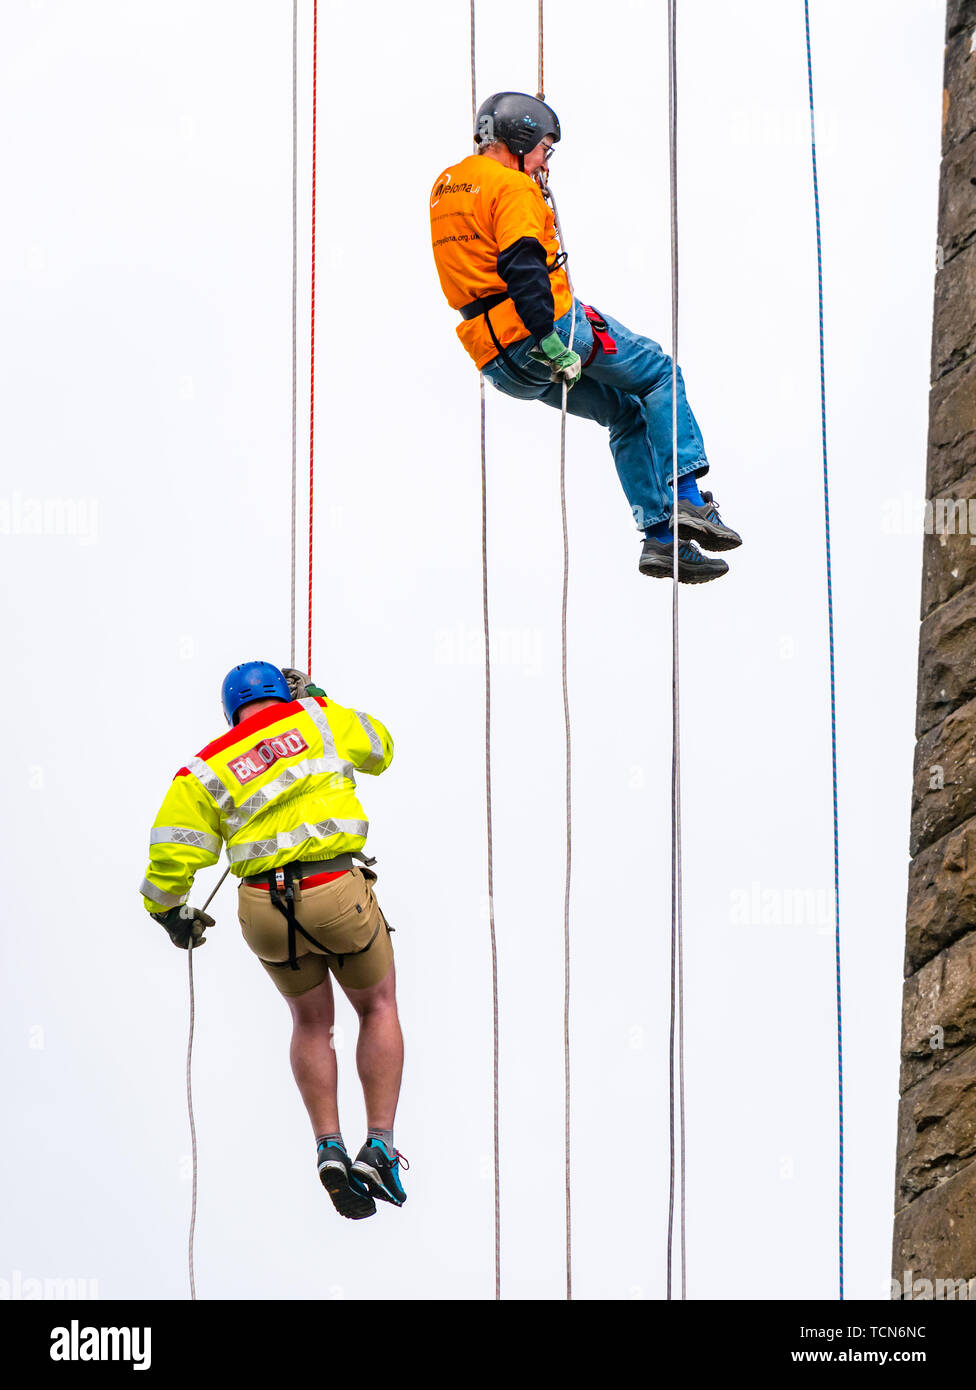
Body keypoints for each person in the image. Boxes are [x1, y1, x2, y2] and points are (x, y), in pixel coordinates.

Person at [429, 91, 743, 583]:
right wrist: (548, 337)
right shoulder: (512, 188)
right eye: (543, 148)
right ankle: (687, 501)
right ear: (519, 139)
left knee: (624, 412)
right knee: (660, 373)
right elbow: (522, 263)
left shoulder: (448, 186)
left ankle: (661, 540)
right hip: (546, 328)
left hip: (497, 359)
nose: (543, 162)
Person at [139, 660, 407, 1221]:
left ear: (232, 709)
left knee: (311, 1023)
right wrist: (322, 699)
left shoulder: (204, 768)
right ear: (283, 692)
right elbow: (382, 749)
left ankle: (328, 1146)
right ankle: (378, 1146)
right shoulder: (319, 720)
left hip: (263, 910)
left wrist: (168, 914)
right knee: (377, 1007)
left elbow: (171, 850)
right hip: (335, 889)